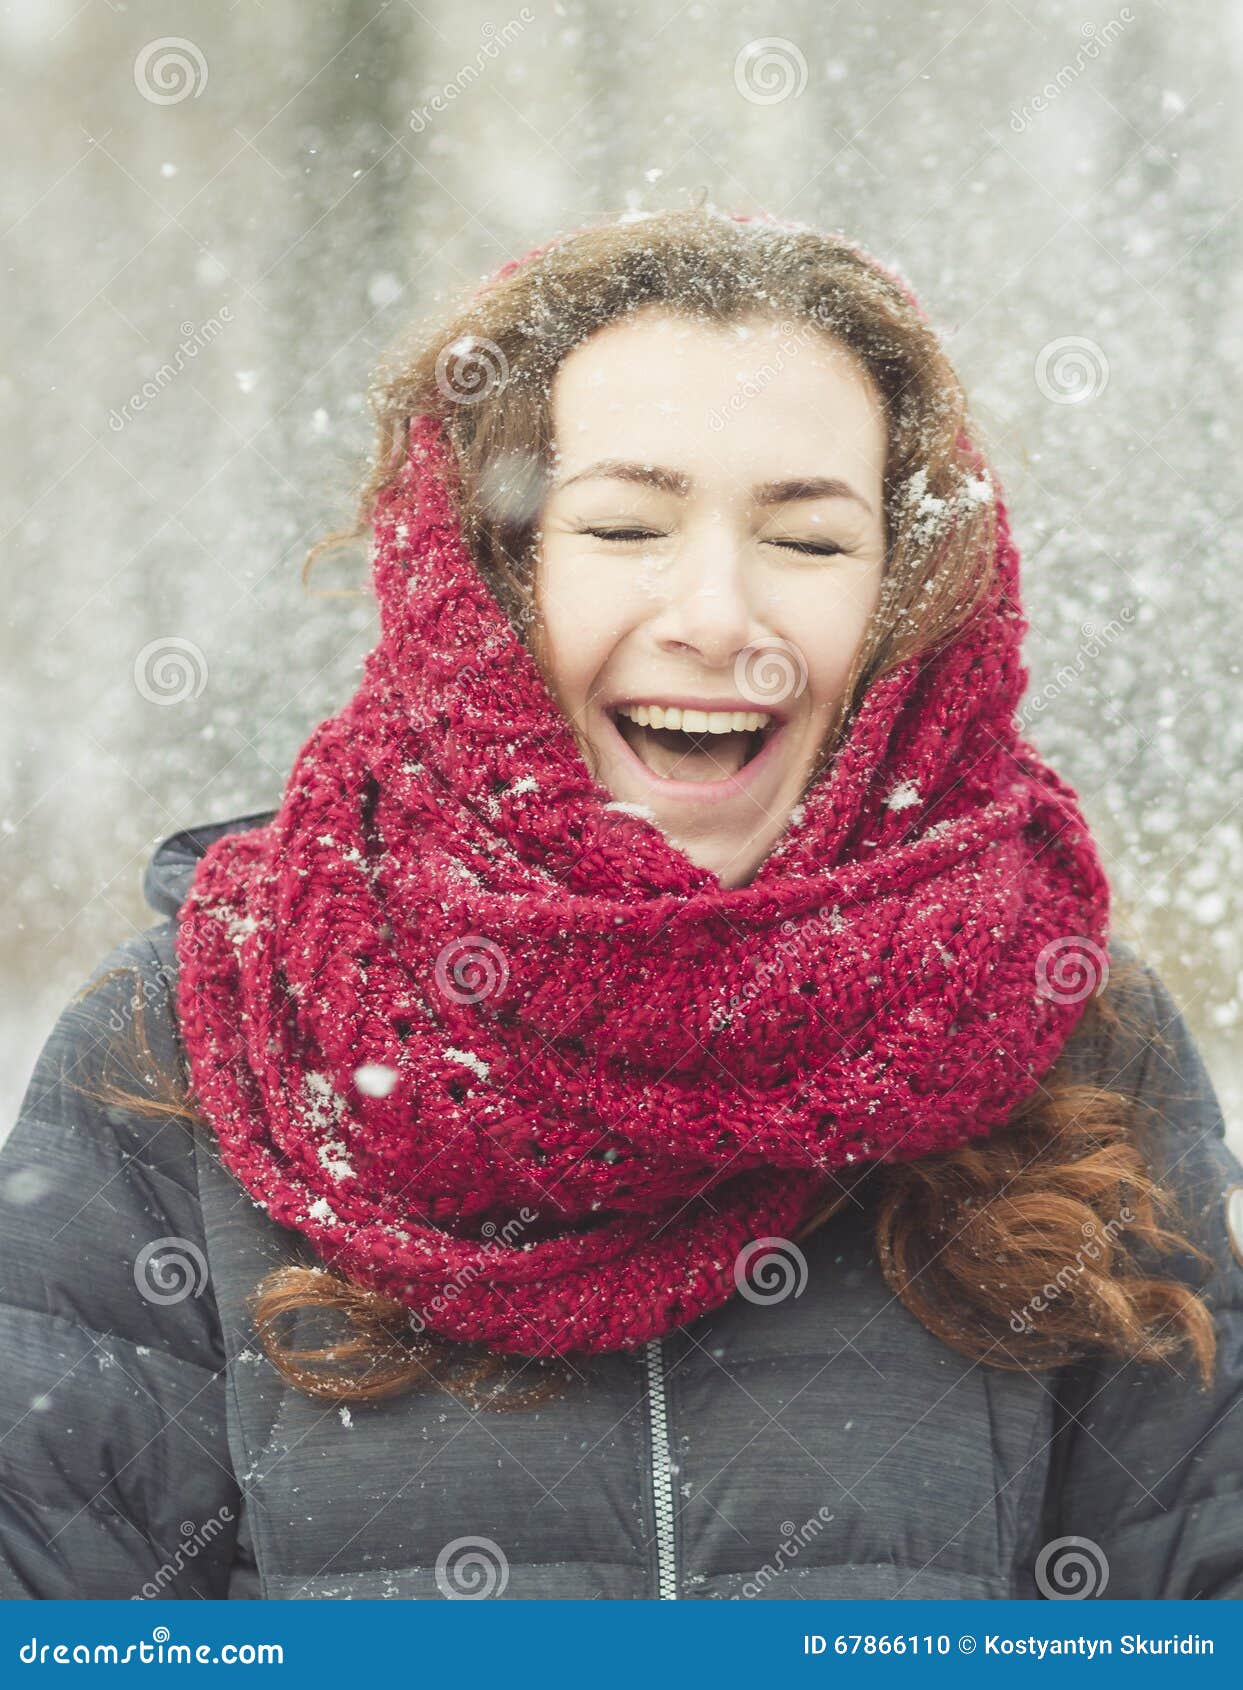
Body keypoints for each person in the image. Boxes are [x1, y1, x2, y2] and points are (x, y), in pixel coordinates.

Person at [1, 209, 1240, 1602]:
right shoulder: (192, 1039)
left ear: (909, 601)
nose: (717, 613)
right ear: (483, 580)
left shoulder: (1076, 1034)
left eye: (811, 541)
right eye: (627, 525)